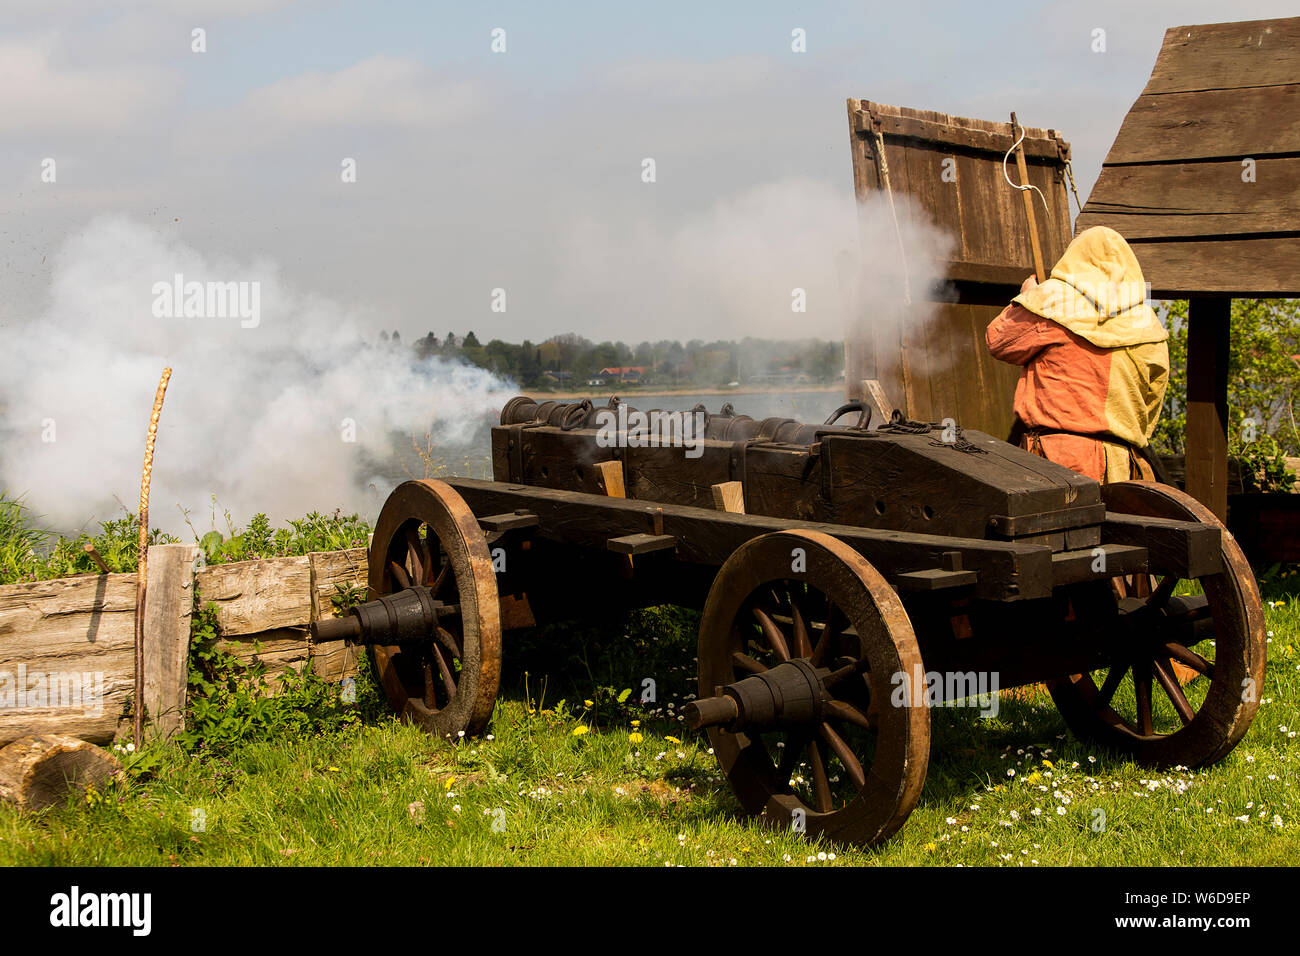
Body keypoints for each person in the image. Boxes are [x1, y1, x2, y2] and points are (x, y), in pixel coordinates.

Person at [986, 226, 1169, 483]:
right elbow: (1151, 405)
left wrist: (1027, 297)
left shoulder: (1052, 301)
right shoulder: (1148, 322)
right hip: (1122, 465)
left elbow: (998, 341)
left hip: (1056, 459)